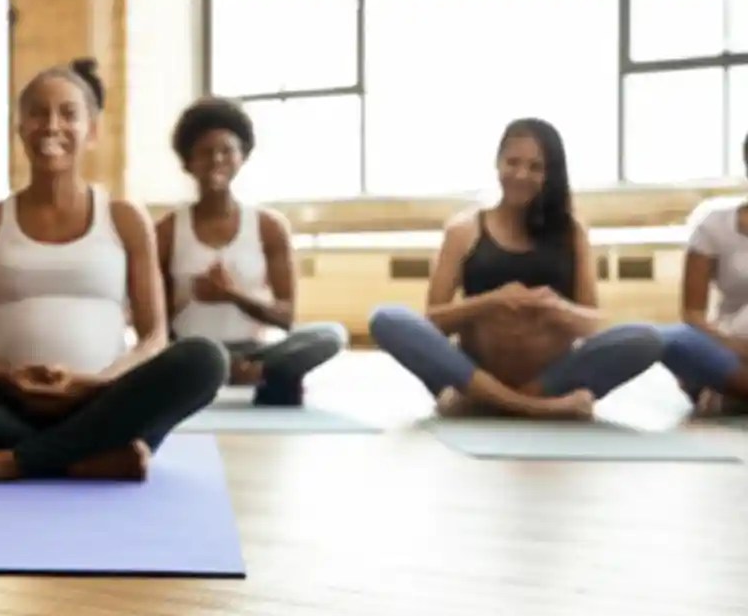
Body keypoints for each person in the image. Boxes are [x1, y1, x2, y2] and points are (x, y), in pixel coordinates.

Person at [0, 58, 227, 483]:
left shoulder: (125, 218)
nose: (52, 125)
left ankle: (6, 460)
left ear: (93, 131)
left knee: (204, 360)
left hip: (104, 401)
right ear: (20, 128)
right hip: (4, 401)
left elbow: (154, 337)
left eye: (69, 113)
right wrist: (9, 376)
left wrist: (96, 383)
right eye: (37, 112)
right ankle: (83, 458)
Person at [368, 117, 663, 418]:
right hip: (473, 373)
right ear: (497, 164)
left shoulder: (573, 232)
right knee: (387, 318)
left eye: (536, 167)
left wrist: (556, 308)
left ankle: (495, 401)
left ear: (551, 174)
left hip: (548, 378)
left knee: (647, 339)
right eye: (512, 162)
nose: (521, 174)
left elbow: (591, 324)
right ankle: (534, 407)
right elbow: (434, 322)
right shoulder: (463, 229)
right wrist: (492, 301)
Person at [157, 96, 347, 406]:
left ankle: (252, 371)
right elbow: (151, 322)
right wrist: (188, 294)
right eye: (205, 152)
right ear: (188, 162)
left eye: (226, 151)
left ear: (241, 157)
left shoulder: (268, 225)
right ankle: (235, 374)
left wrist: (233, 295)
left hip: (253, 350)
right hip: (192, 351)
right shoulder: (166, 230)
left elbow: (287, 317)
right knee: (143, 357)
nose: (217, 159)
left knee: (330, 335)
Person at [657, 144, 748, 416]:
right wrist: (733, 346)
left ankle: (726, 387)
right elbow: (693, 314)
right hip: (730, 341)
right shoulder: (715, 224)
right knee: (676, 341)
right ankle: (724, 380)